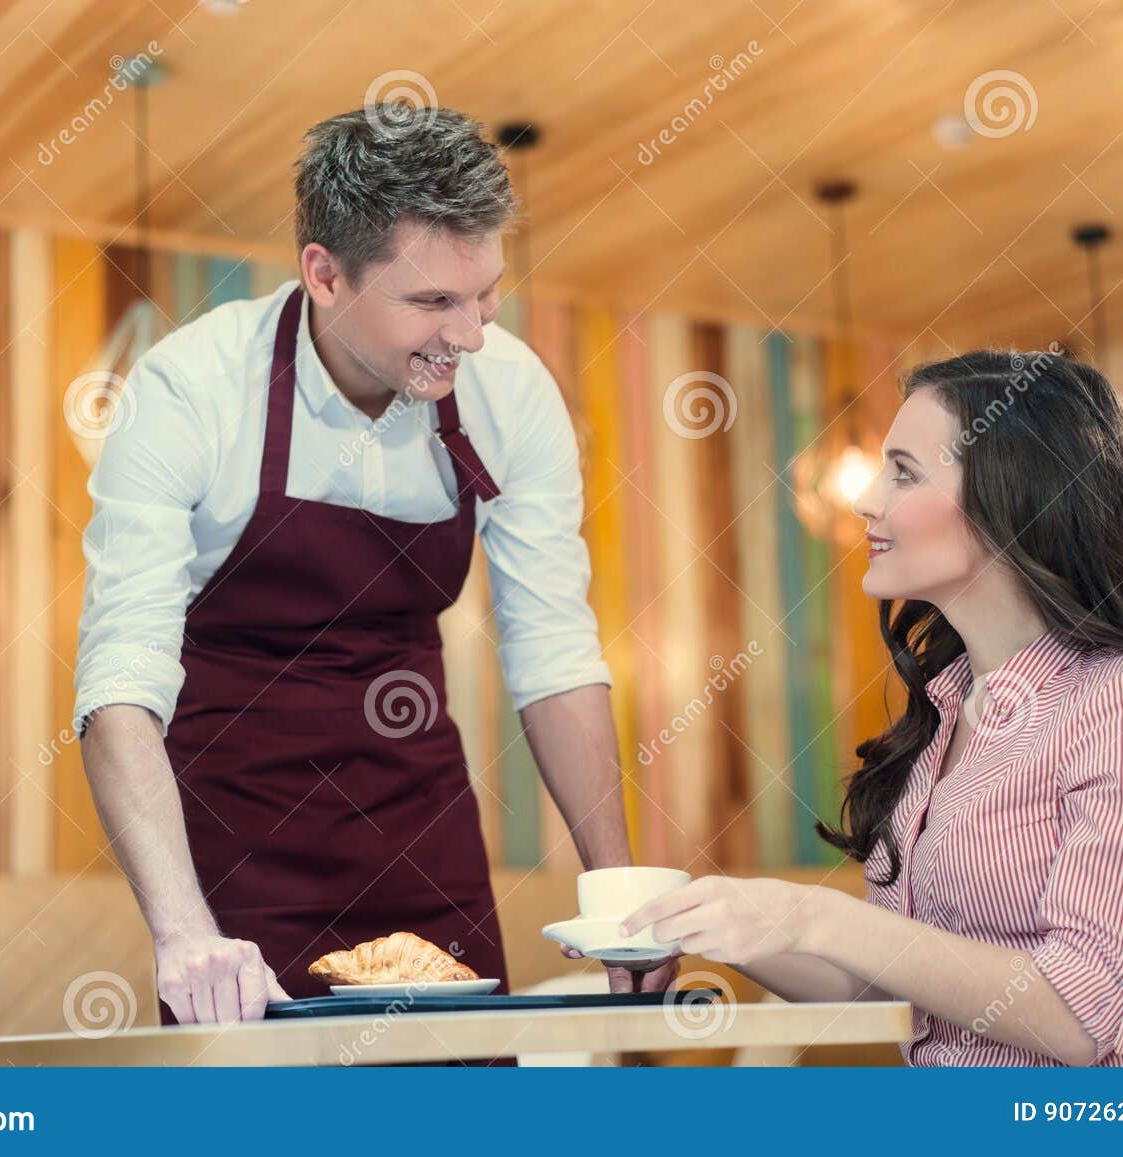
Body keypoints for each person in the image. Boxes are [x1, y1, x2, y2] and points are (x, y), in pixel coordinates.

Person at [74, 103, 675, 1028]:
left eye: (486, 294)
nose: (470, 334)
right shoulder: (189, 390)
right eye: (432, 302)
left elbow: (554, 648)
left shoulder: (511, 393)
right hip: (237, 841)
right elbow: (120, 680)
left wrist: (616, 893)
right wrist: (184, 932)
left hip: (419, 821)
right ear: (324, 273)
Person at [621, 350, 1123, 1065]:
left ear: (1011, 498)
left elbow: (1082, 1013)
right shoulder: (947, 715)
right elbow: (895, 995)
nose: (866, 500)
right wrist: (713, 923)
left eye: (904, 471)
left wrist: (814, 914)